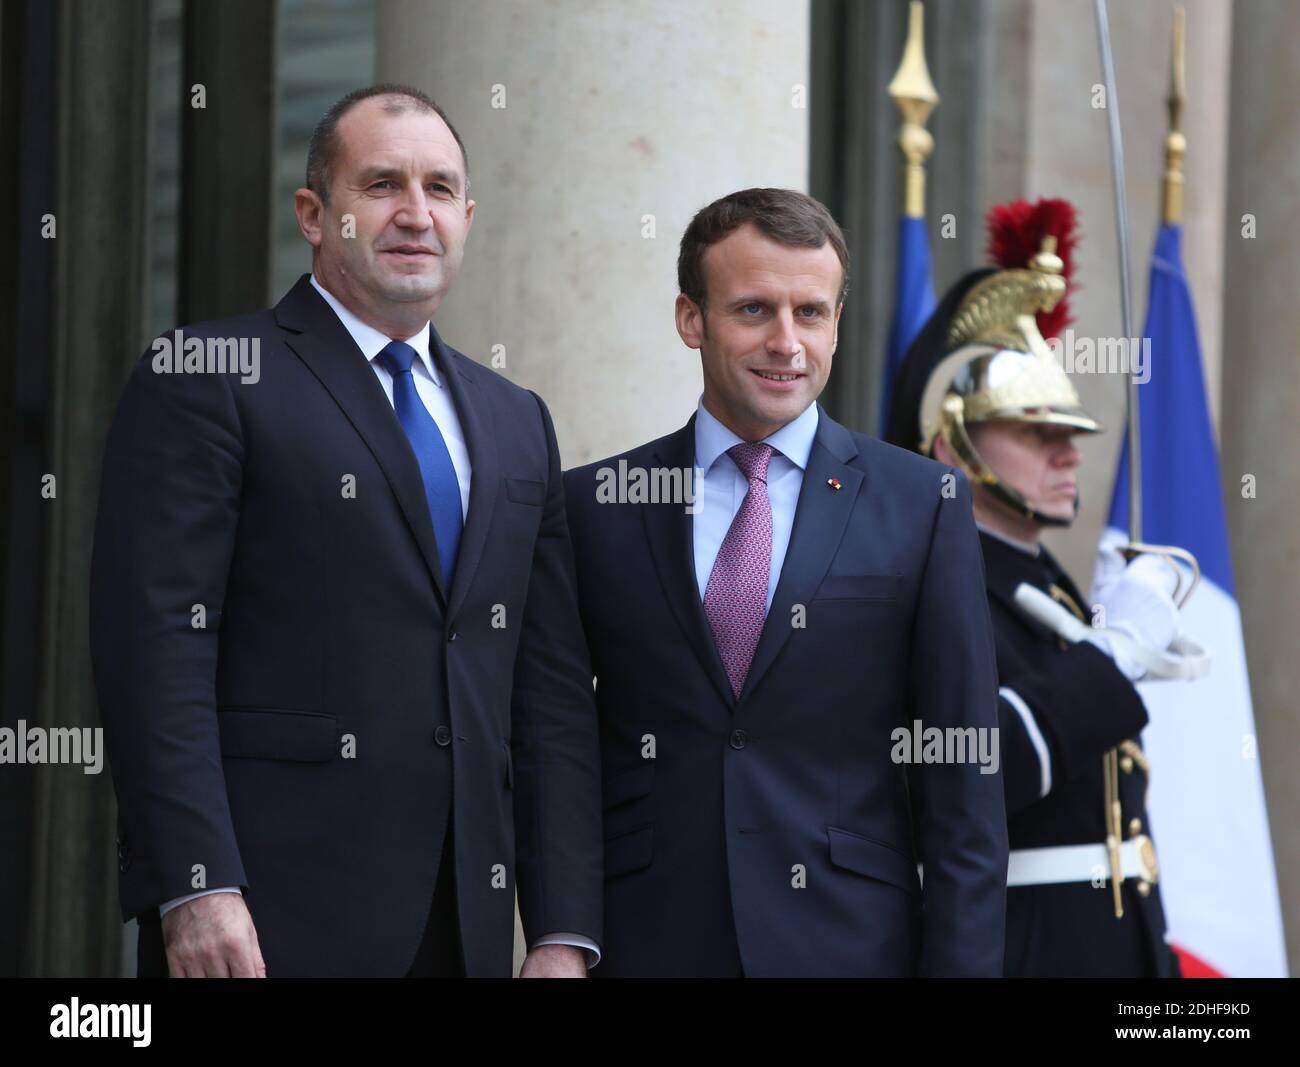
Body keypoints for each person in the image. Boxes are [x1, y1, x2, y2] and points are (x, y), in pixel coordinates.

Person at [90, 84, 602, 978]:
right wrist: (196, 885)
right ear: (315, 215)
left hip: (464, 931)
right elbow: (155, 655)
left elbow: (547, 694)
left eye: (440, 189)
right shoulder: (209, 376)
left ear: (468, 217)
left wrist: (560, 931)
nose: (415, 214)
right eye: (381, 185)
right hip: (265, 924)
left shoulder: (517, 419)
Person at [563, 188, 1008, 977]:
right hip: (646, 943)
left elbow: (961, 782)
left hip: (852, 947)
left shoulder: (922, 504)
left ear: (837, 322)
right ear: (691, 319)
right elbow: (558, 748)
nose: (786, 342)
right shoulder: (593, 506)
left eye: (811, 312)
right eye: (753, 310)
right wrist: (561, 937)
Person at [885, 198, 1182, 977]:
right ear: (952, 447)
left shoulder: (1047, 590)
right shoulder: (926, 588)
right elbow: (965, 770)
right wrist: (1109, 654)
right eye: (1037, 432)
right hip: (1021, 947)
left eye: (1073, 434)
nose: (1068, 455)